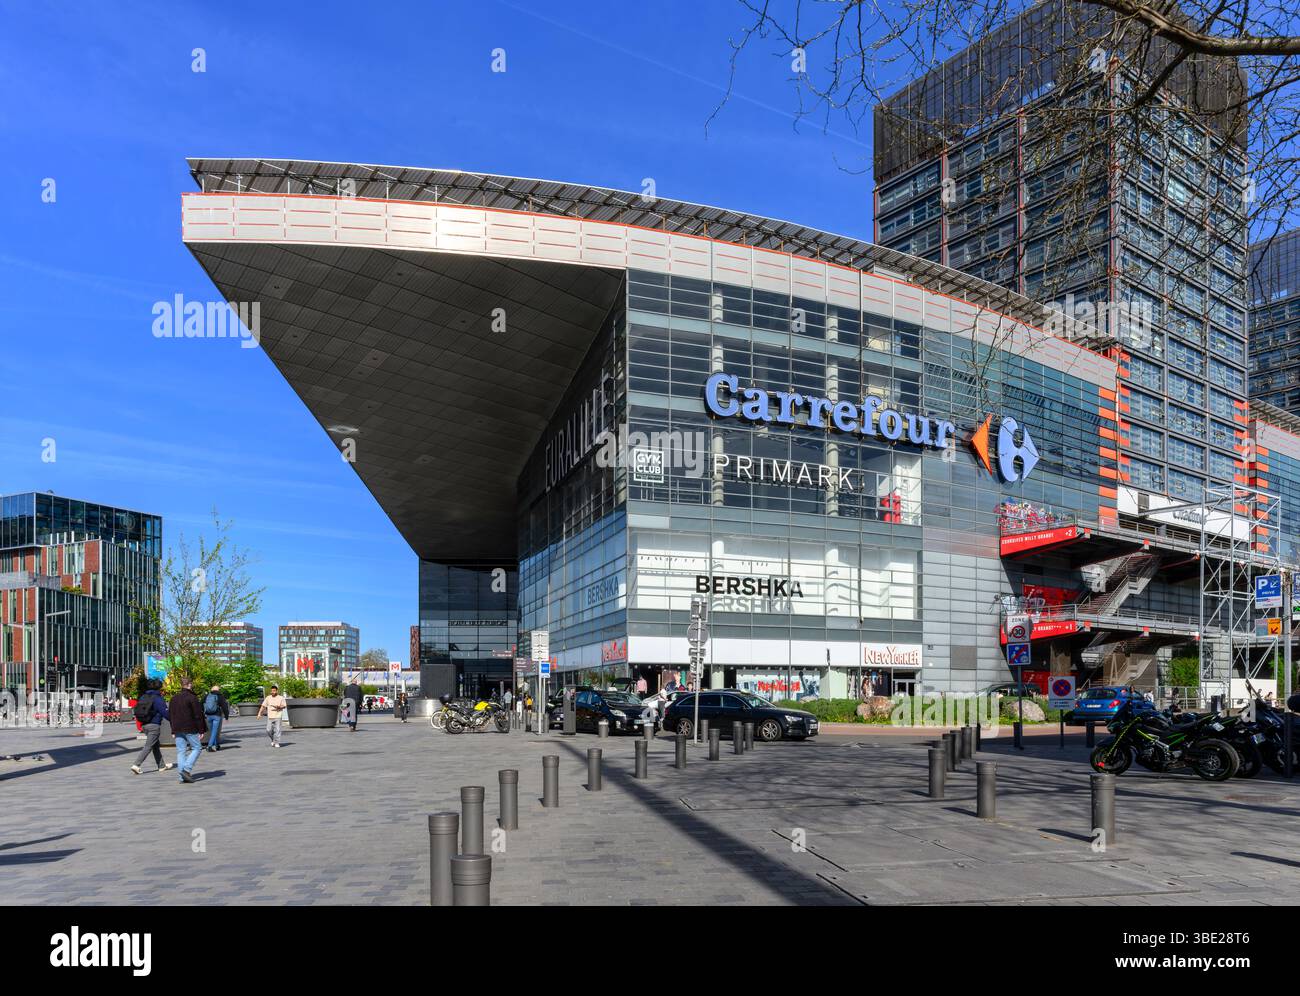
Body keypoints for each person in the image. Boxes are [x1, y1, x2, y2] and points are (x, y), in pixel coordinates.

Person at [130, 679, 175, 775]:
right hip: (154, 726)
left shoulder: (143, 696)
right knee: (149, 746)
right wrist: (175, 720)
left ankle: (161, 766)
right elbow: (165, 713)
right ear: (159, 688)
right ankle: (136, 765)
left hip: (144, 725)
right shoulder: (158, 698)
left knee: (155, 746)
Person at [168, 677, 206, 784]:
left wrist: (172, 730)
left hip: (177, 728)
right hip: (190, 727)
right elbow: (198, 715)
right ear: (189, 684)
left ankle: (182, 777)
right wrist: (201, 729)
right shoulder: (192, 698)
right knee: (197, 748)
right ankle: (186, 770)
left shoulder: (174, 698)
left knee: (181, 751)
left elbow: (170, 715)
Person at [202, 683, 232, 752]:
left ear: (211, 689)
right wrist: (226, 716)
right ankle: (209, 746)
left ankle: (217, 745)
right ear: (218, 690)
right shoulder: (220, 696)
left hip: (208, 715)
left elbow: (200, 704)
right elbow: (225, 707)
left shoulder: (206, 696)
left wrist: (203, 713)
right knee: (214, 731)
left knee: (213, 731)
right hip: (217, 716)